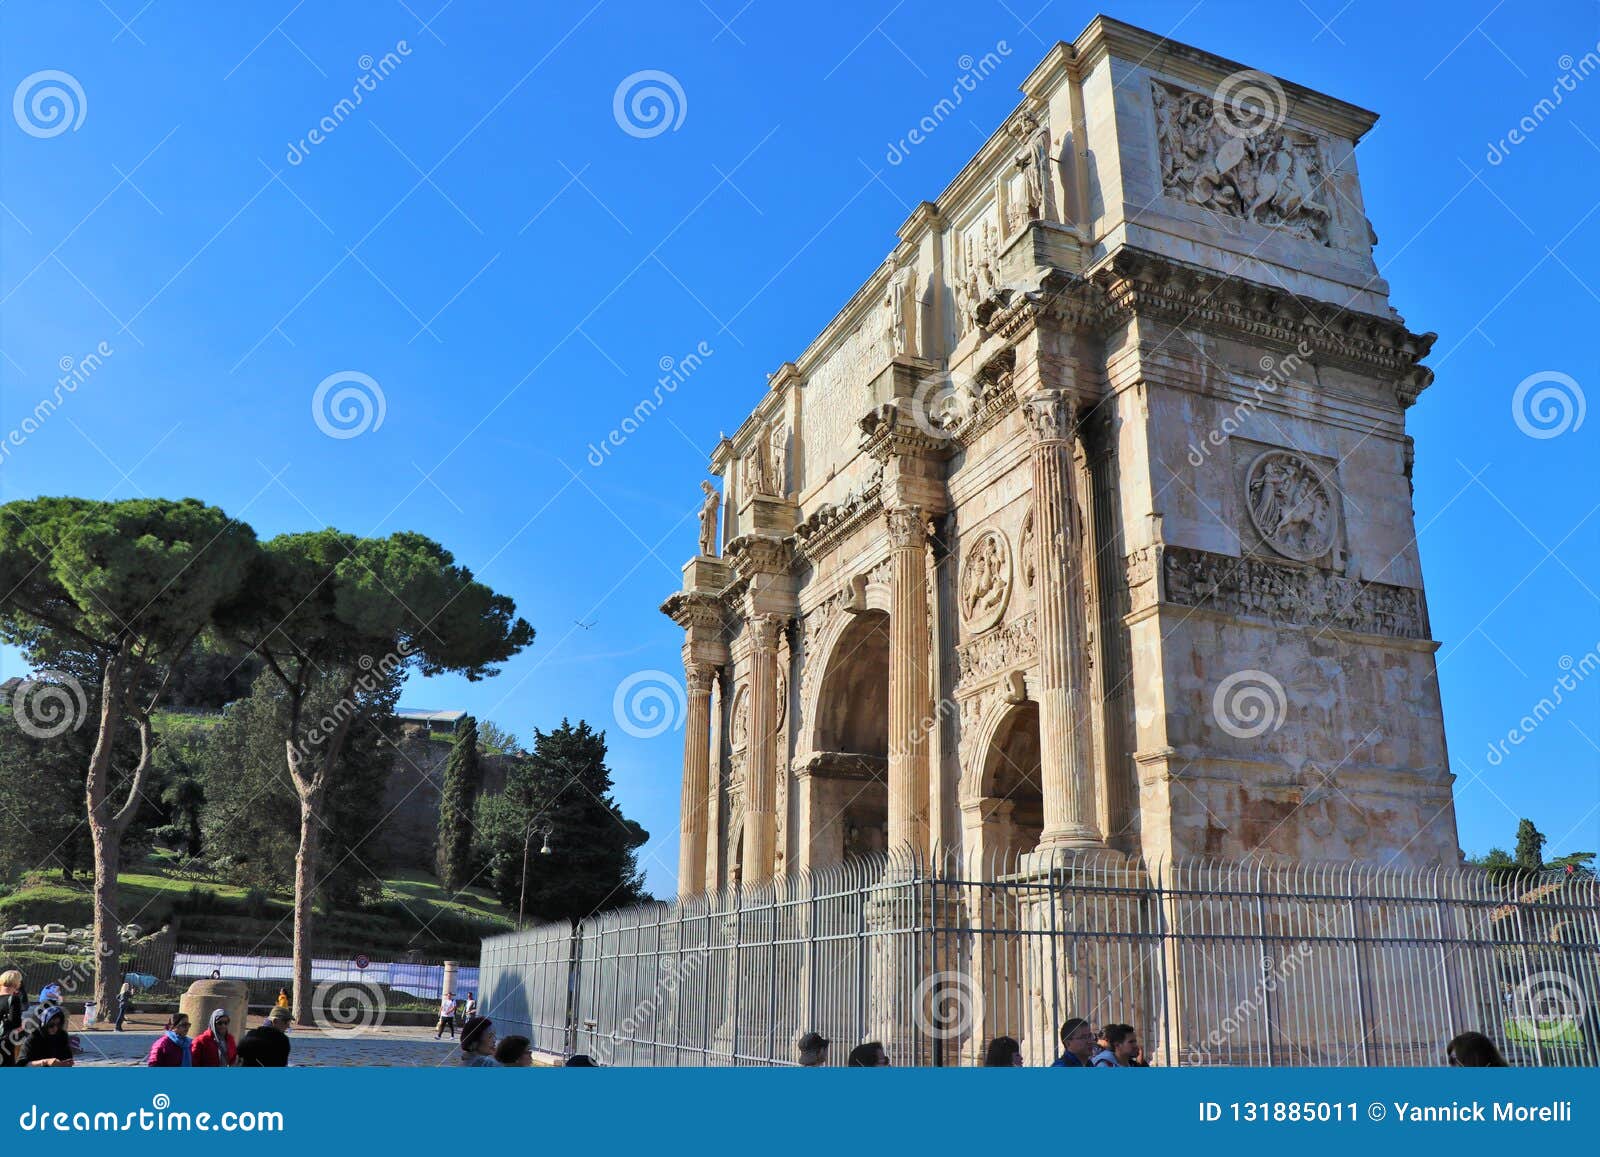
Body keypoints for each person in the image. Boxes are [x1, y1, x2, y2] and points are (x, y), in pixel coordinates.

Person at [1, 969, 29, 1067]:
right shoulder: (13, 999)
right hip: (6, 1044)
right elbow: (15, 1026)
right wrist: (24, 1025)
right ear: (16, 983)